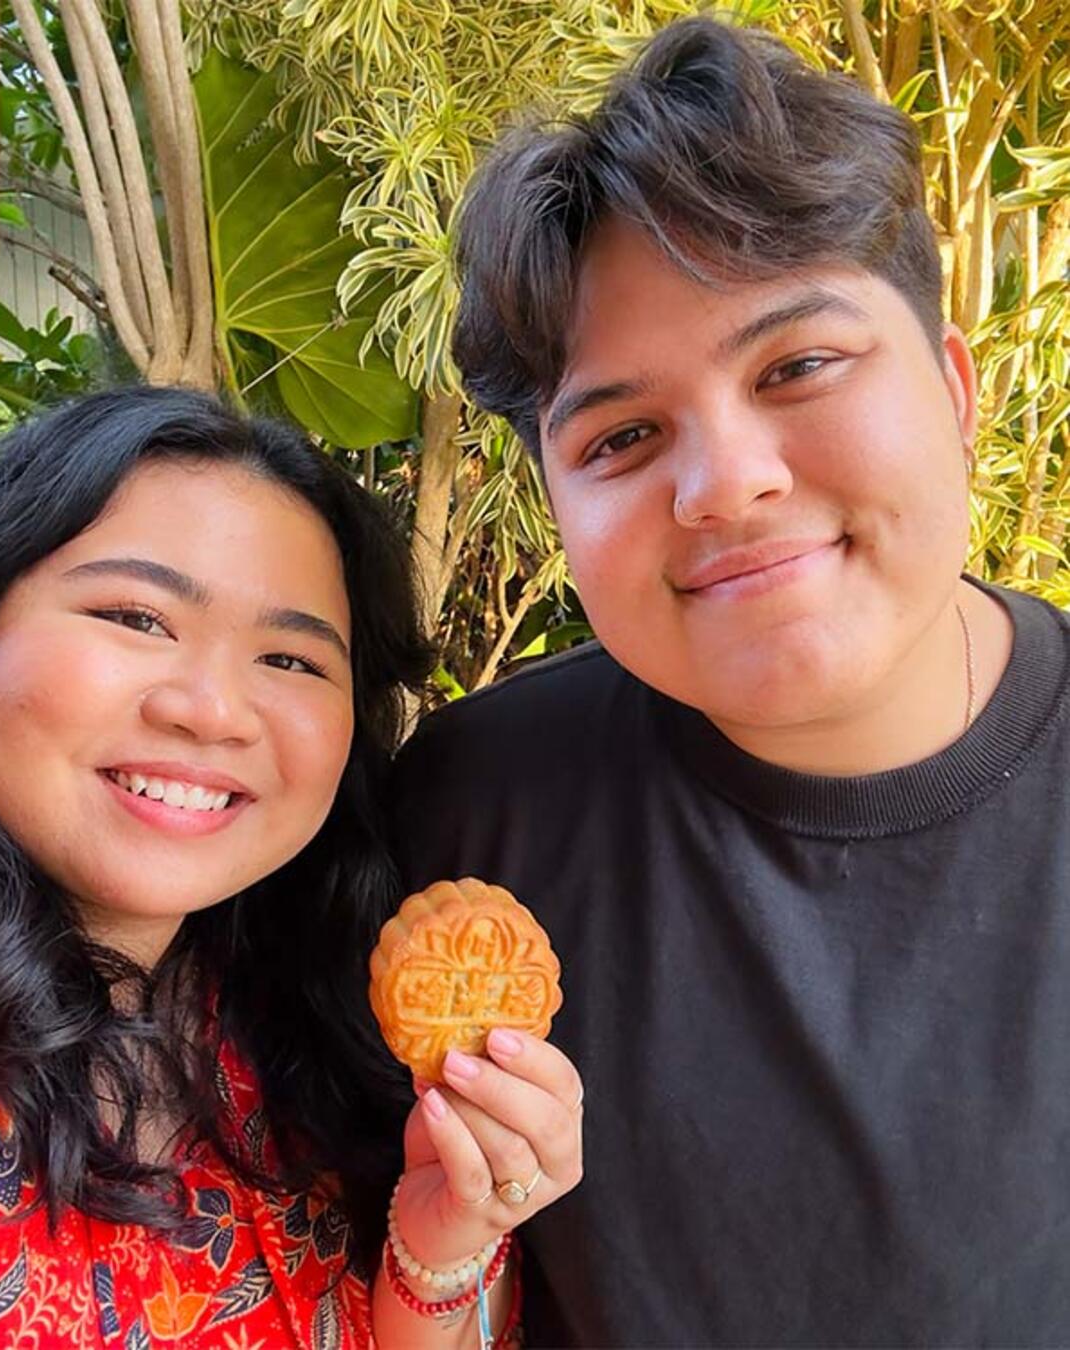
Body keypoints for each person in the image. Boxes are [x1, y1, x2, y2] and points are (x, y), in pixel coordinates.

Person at [393, 16, 1070, 1349]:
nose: (725, 484)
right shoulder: (465, 819)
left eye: (798, 365)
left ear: (953, 387)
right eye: (624, 434)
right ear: (552, 503)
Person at [0, 386, 582, 1348]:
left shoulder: (300, 1050)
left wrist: (442, 1240)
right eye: (135, 617)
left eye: (292, 661)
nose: (212, 711)